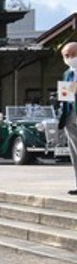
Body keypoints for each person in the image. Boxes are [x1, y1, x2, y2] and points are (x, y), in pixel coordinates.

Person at [58, 42, 77, 195]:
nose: (70, 58)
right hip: (70, 116)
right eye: (67, 56)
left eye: (73, 55)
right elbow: (65, 97)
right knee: (74, 152)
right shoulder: (67, 74)